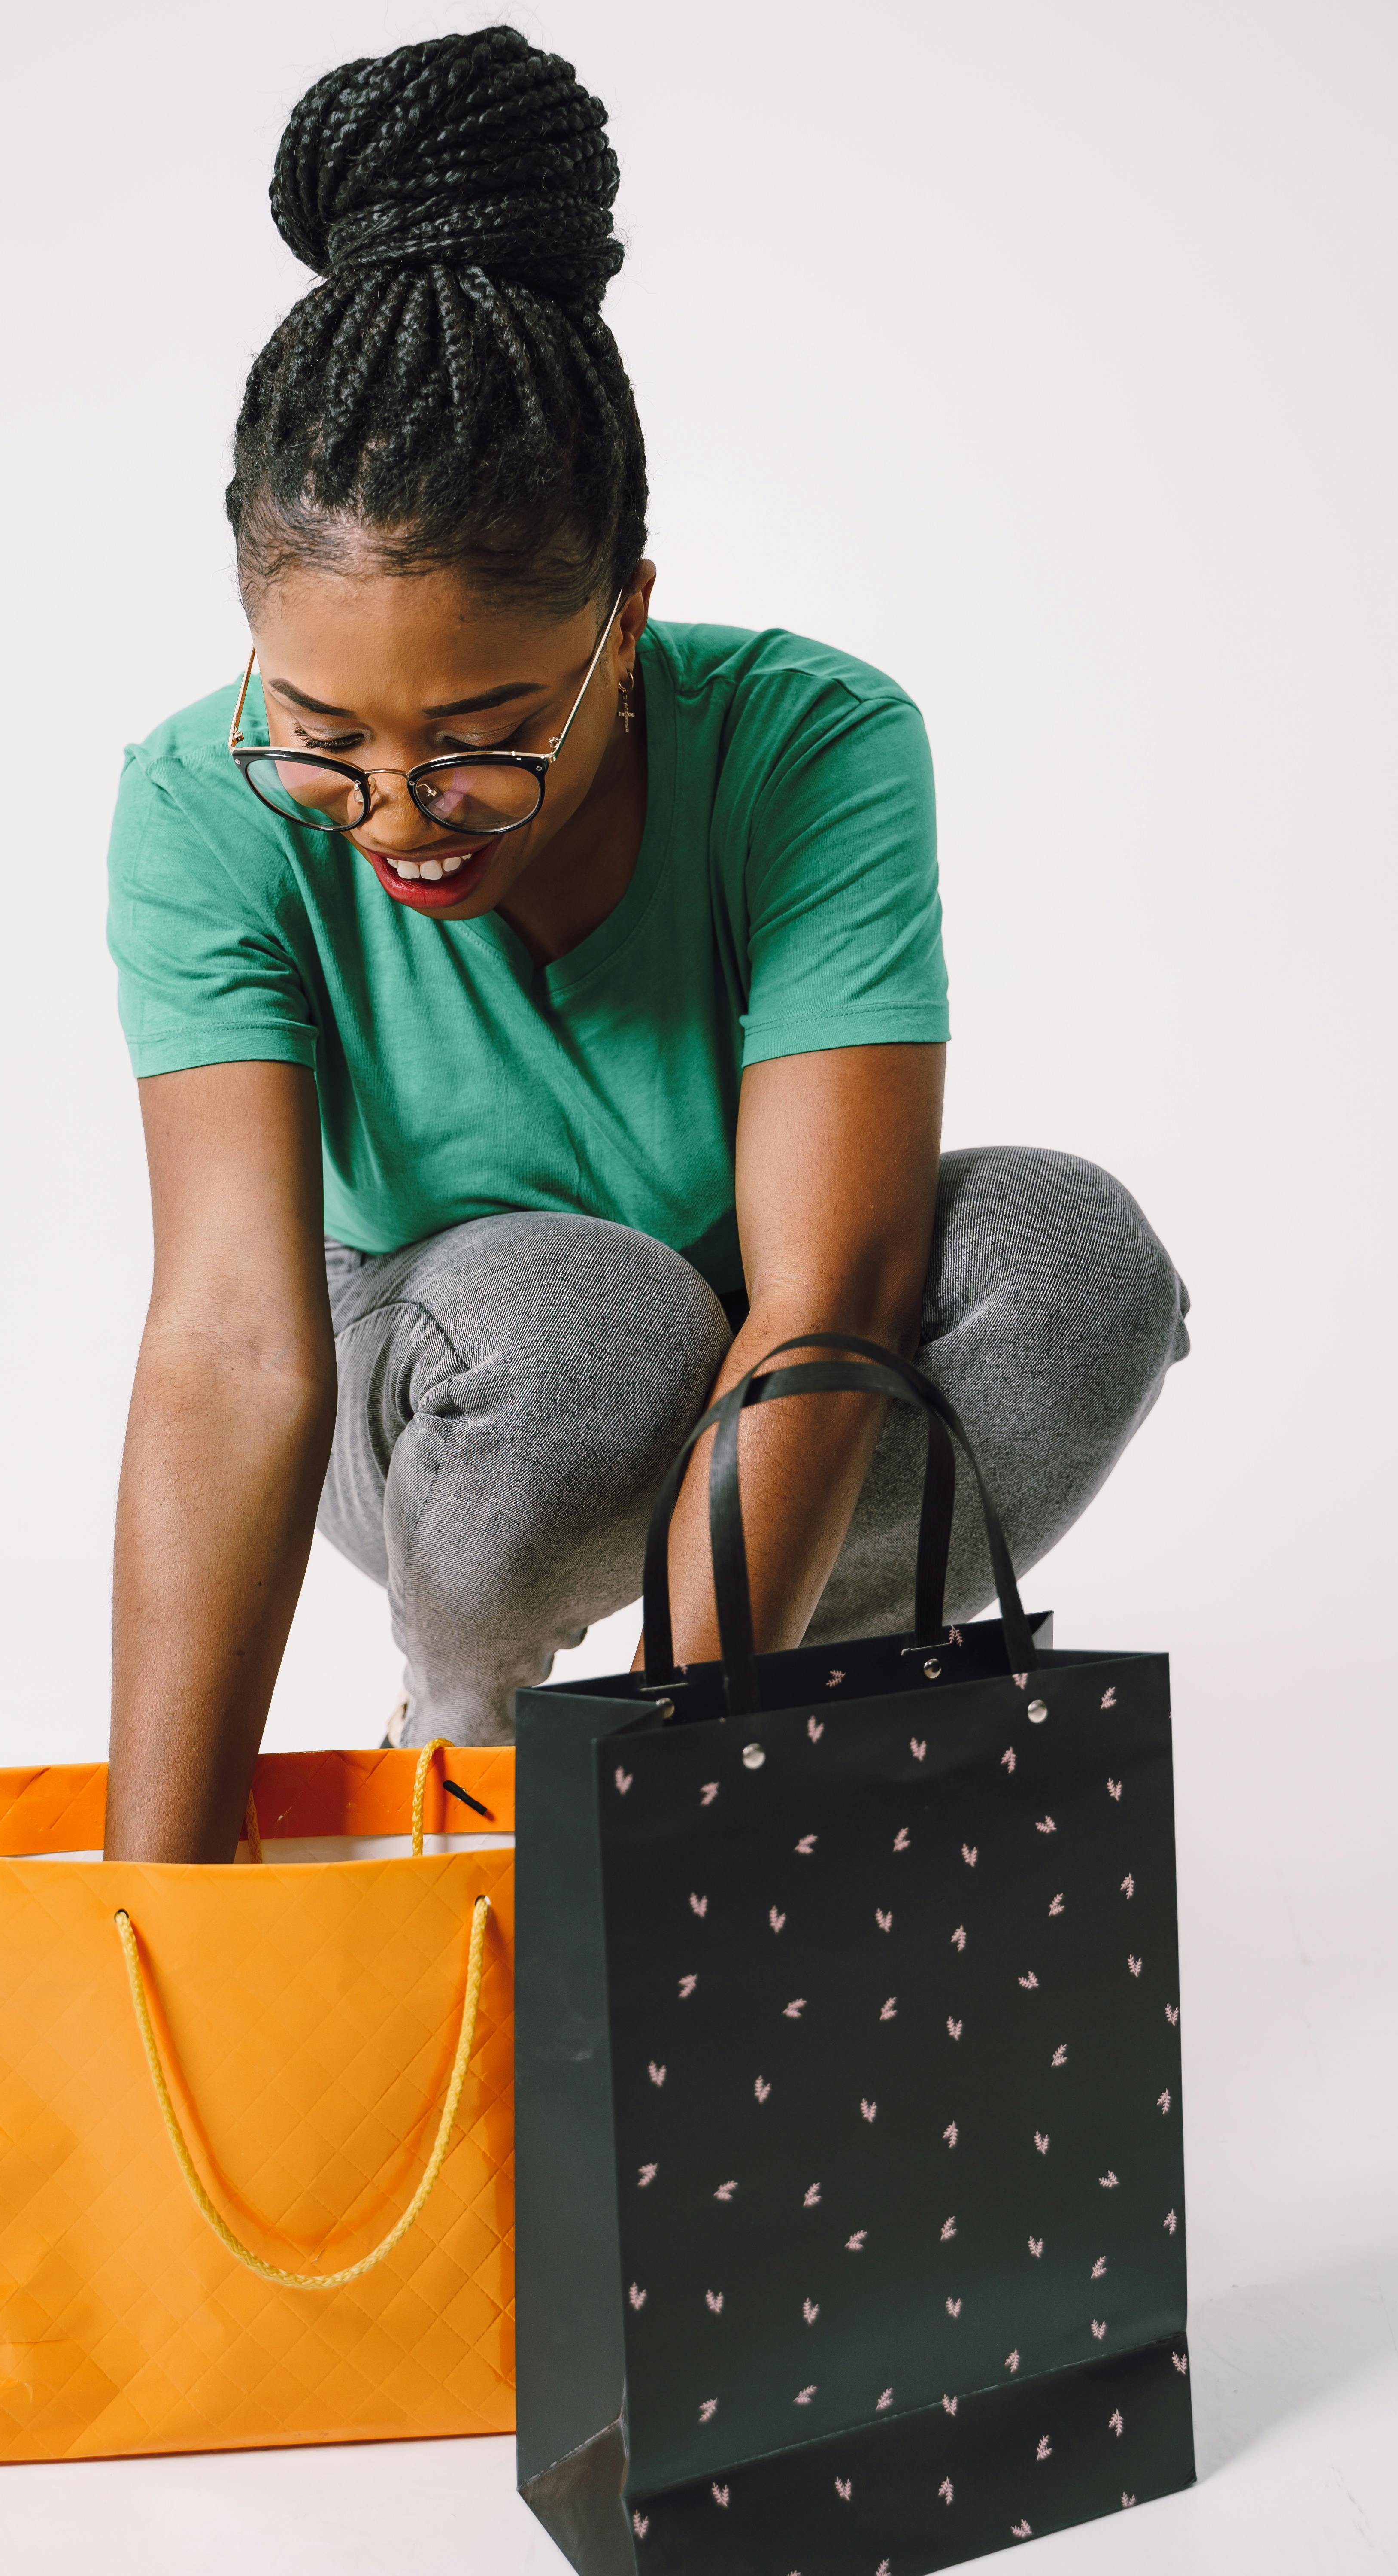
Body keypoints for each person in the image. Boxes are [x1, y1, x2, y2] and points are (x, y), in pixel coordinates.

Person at [102, 26, 1189, 1864]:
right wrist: (154, 1908)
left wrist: (674, 1818)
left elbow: (823, 1305)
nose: (387, 813)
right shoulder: (196, 807)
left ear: (630, 621)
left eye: (479, 745)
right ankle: (475, 1735)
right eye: (322, 735)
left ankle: (705, 1743)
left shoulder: (813, 744)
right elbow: (231, 1349)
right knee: (591, 1326)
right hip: (450, 1375)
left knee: (1070, 1255)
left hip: (763, 1346)